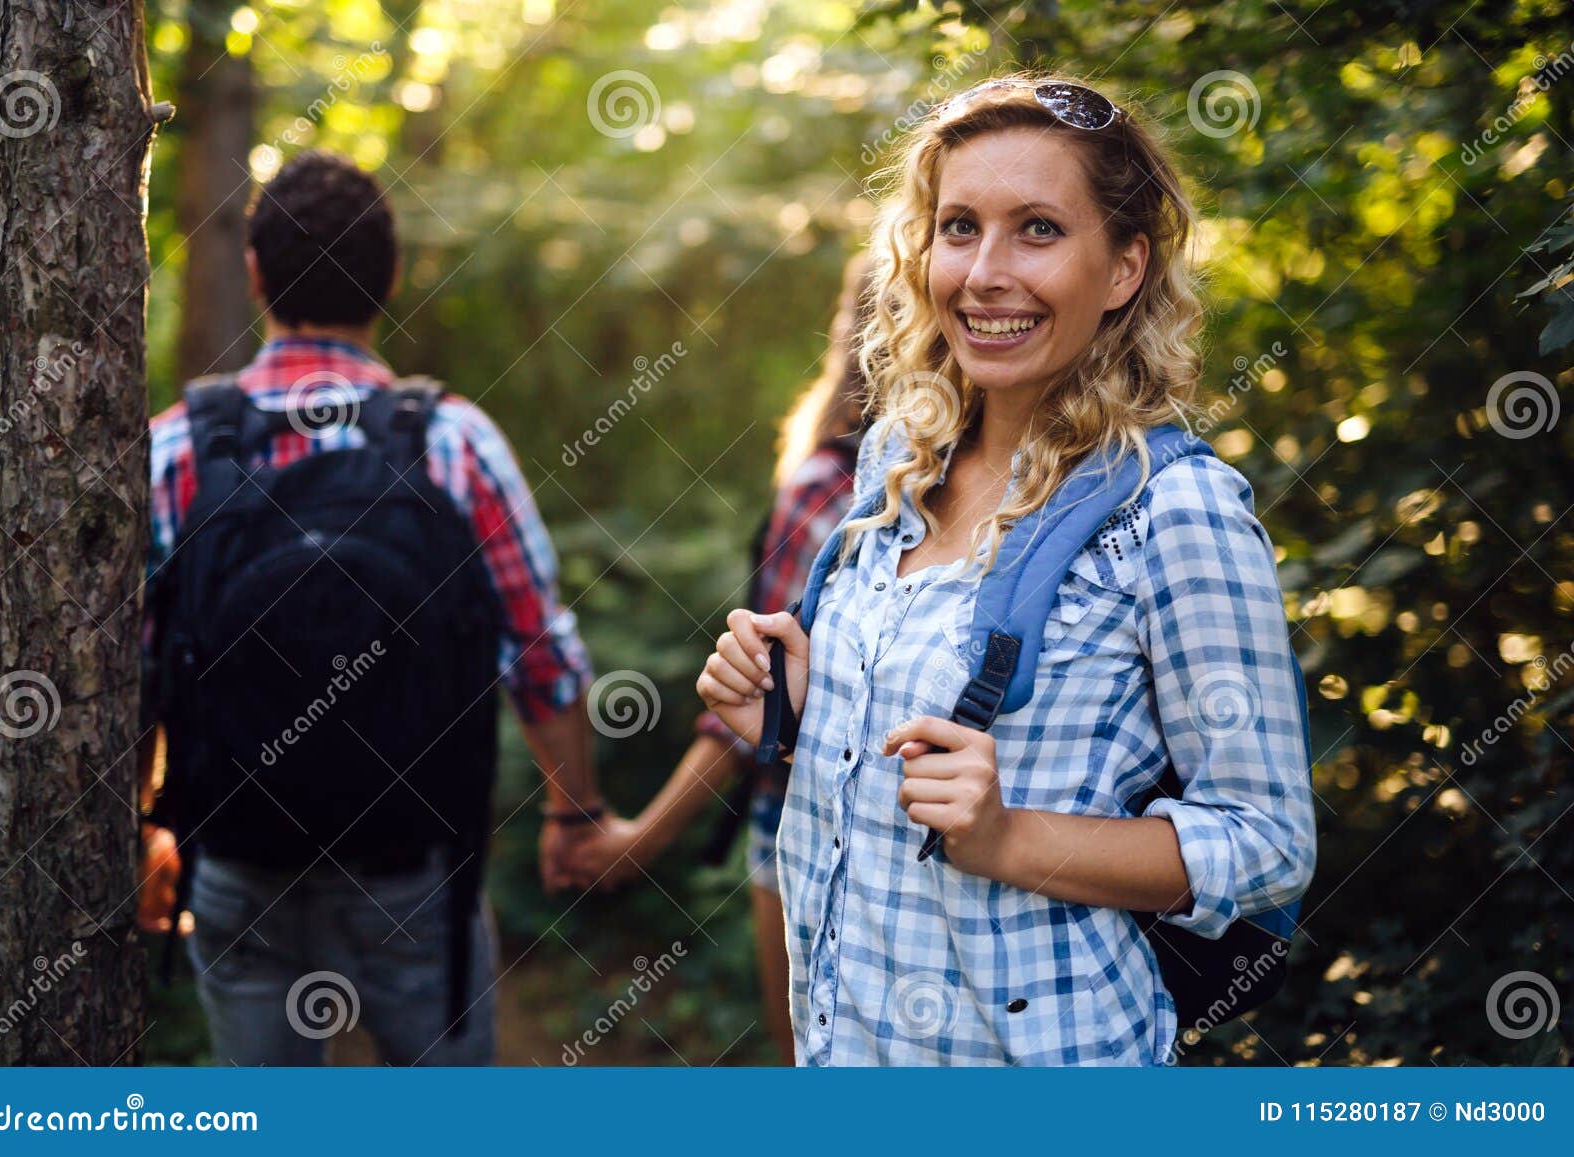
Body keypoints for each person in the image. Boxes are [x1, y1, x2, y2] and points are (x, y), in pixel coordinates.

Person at [696, 73, 1317, 1066]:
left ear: (1121, 268)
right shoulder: (896, 458)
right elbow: (896, 754)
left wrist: (1006, 836)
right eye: (957, 227)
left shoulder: (1174, 509)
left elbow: (1267, 840)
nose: (984, 272)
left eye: (1036, 229)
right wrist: (795, 702)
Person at [138, 150, 608, 1066]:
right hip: (414, 863)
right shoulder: (452, 441)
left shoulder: (178, 447)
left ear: (256, 274)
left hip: (238, 858)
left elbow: (137, 665)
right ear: (389, 277)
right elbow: (542, 655)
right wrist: (574, 813)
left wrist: (143, 827)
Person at [563, 253, 874, 1064]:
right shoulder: (978, 485)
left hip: (804, 823)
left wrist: (642, 840)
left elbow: (755, 711)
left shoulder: (830, 486)